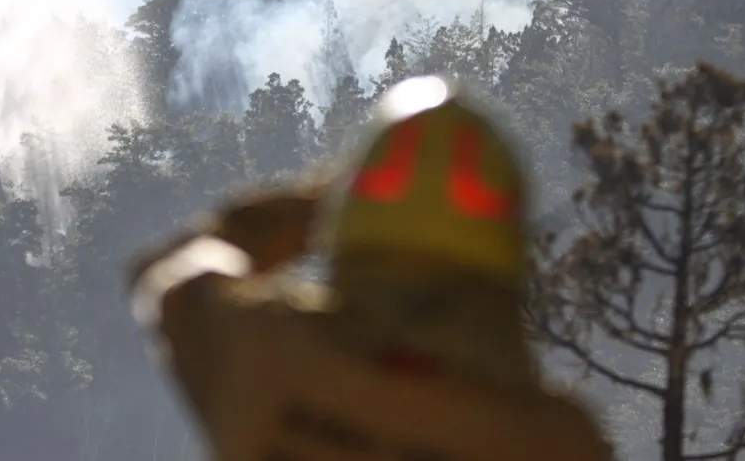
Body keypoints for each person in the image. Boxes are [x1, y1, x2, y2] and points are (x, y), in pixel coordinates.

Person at [128, 74, 614, 460]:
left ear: (351, 224)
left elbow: (171, 275)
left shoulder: (265, 350)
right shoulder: (553, 440)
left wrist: (305, 210)